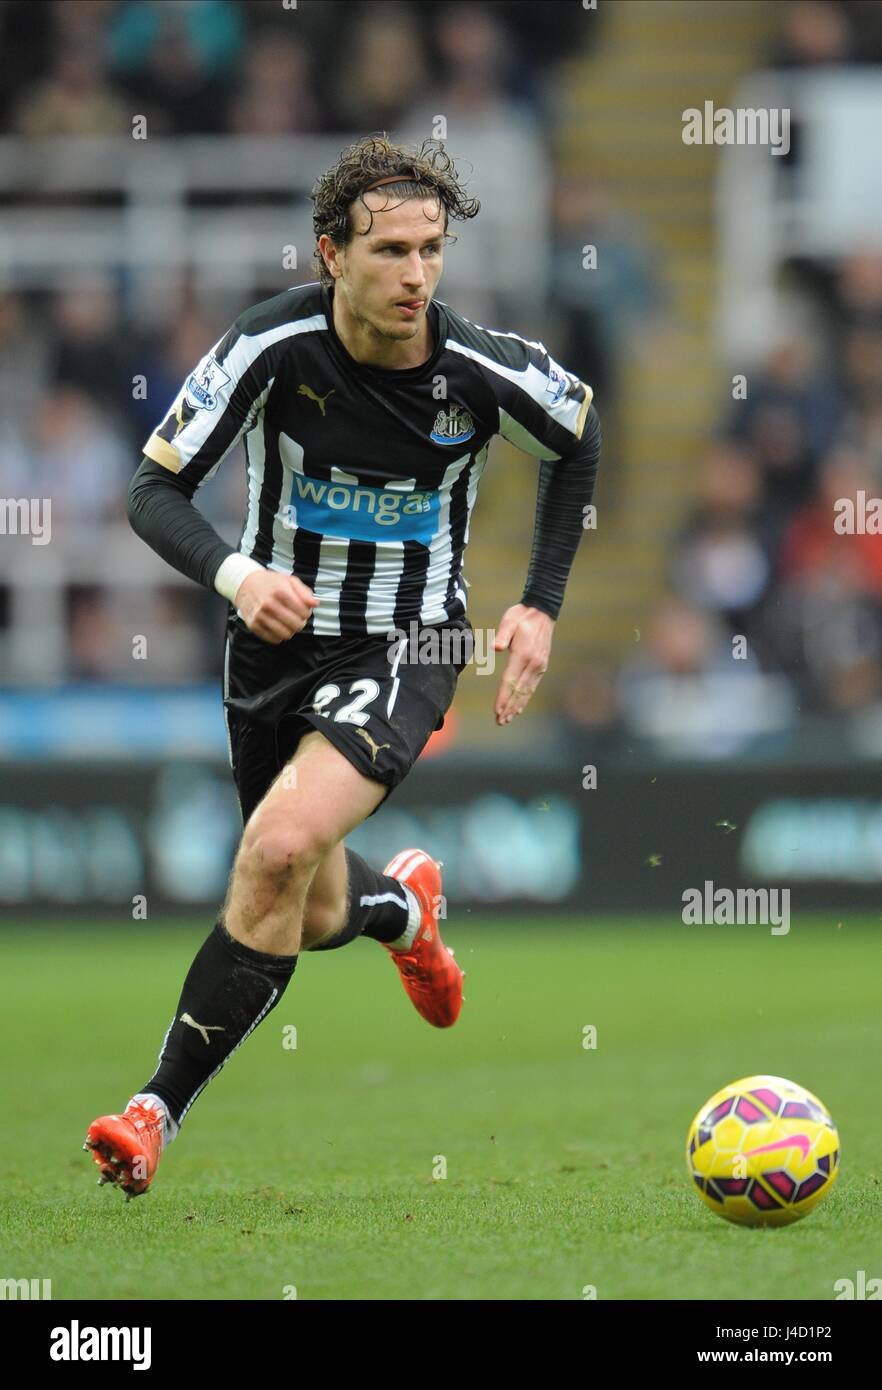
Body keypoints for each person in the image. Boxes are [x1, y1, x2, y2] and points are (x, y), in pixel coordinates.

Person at [83, 134, 601, 1198]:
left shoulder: (481, 370)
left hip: (417, 639)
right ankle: (400, 909)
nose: (417, 274)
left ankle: (153, 1110)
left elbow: (578, 437)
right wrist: (235, 576)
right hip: (272, 641)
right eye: (392, 251)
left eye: (432, 249)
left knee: (272, 850)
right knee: (308, 909)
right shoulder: (271, 347)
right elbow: (151, 488)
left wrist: (540, 606)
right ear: (332, 254)